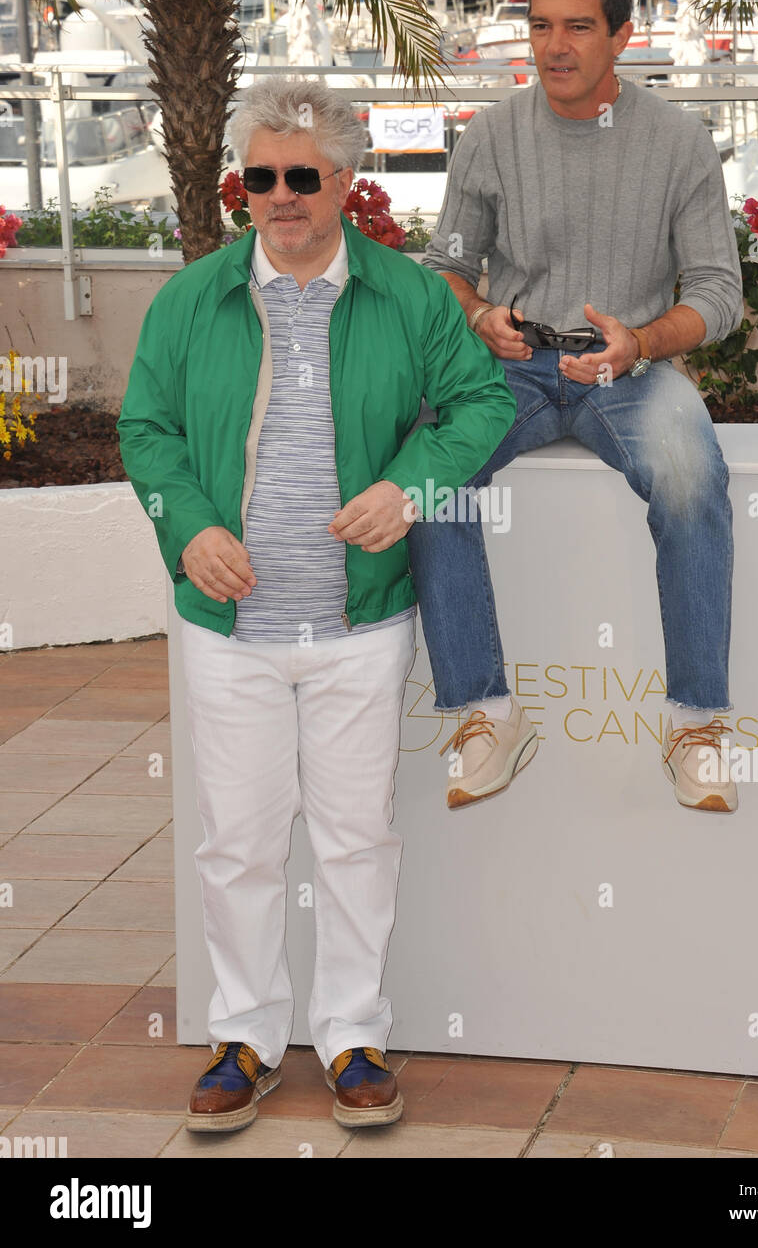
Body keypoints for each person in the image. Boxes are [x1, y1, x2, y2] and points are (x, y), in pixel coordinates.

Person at [117, 77, 516, 1131]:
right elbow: (144, 430)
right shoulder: (189, 299)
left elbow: (477, 402)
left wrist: (409, 487)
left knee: (353, 835)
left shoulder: (411, 295)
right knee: (238, 840)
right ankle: (242, 1036)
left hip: (360, 620)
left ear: (344, 182)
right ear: (237, 187)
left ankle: (351, 1038)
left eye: (303, 176)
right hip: (228, 627)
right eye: (262, 176)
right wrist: (188, 527)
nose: (281, 196)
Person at [409, 0, 744, 813]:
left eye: (578, 27)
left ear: (623, 35)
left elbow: (718, 291)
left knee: (692, 476)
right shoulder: (489, 137)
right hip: (514, 366)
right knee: (427, 472)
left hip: (626, 368)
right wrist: (481, 315)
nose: (555, 46)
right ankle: (485, 715)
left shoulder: (678, 142)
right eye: (541, 26)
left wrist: (639, 343)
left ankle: (697, 726)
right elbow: (445, 266)